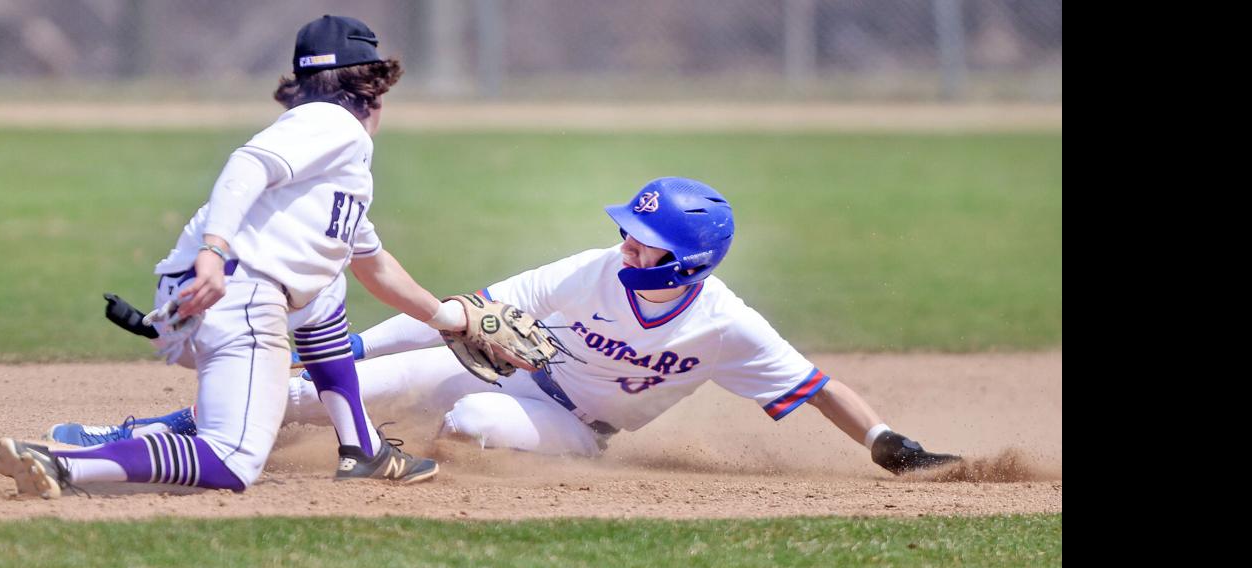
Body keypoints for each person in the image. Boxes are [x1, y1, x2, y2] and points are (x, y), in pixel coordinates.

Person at [51, 176, 962, 477]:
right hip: (509, 374)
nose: (624, 243)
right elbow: (465, 320)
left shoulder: (726, 327)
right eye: (627, 229)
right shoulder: (593, 270)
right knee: (318, 392)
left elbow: (816, 386)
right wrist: (343, 353)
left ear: (685, 262)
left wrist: (890, 444)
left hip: (568, 426)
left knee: (477, 424)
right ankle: (148, 438)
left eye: (644, 240)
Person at [0, 15, 486, 500]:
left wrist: (451, 319)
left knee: (324, 281)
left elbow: (373, 266)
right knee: (231, 460)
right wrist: (214, 250)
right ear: (373, 88)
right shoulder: (335, 125)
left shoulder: (327, 171)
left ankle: (362, 446)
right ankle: (62, 463)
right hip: (229, 292)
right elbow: (248, 163)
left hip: (208, 296)